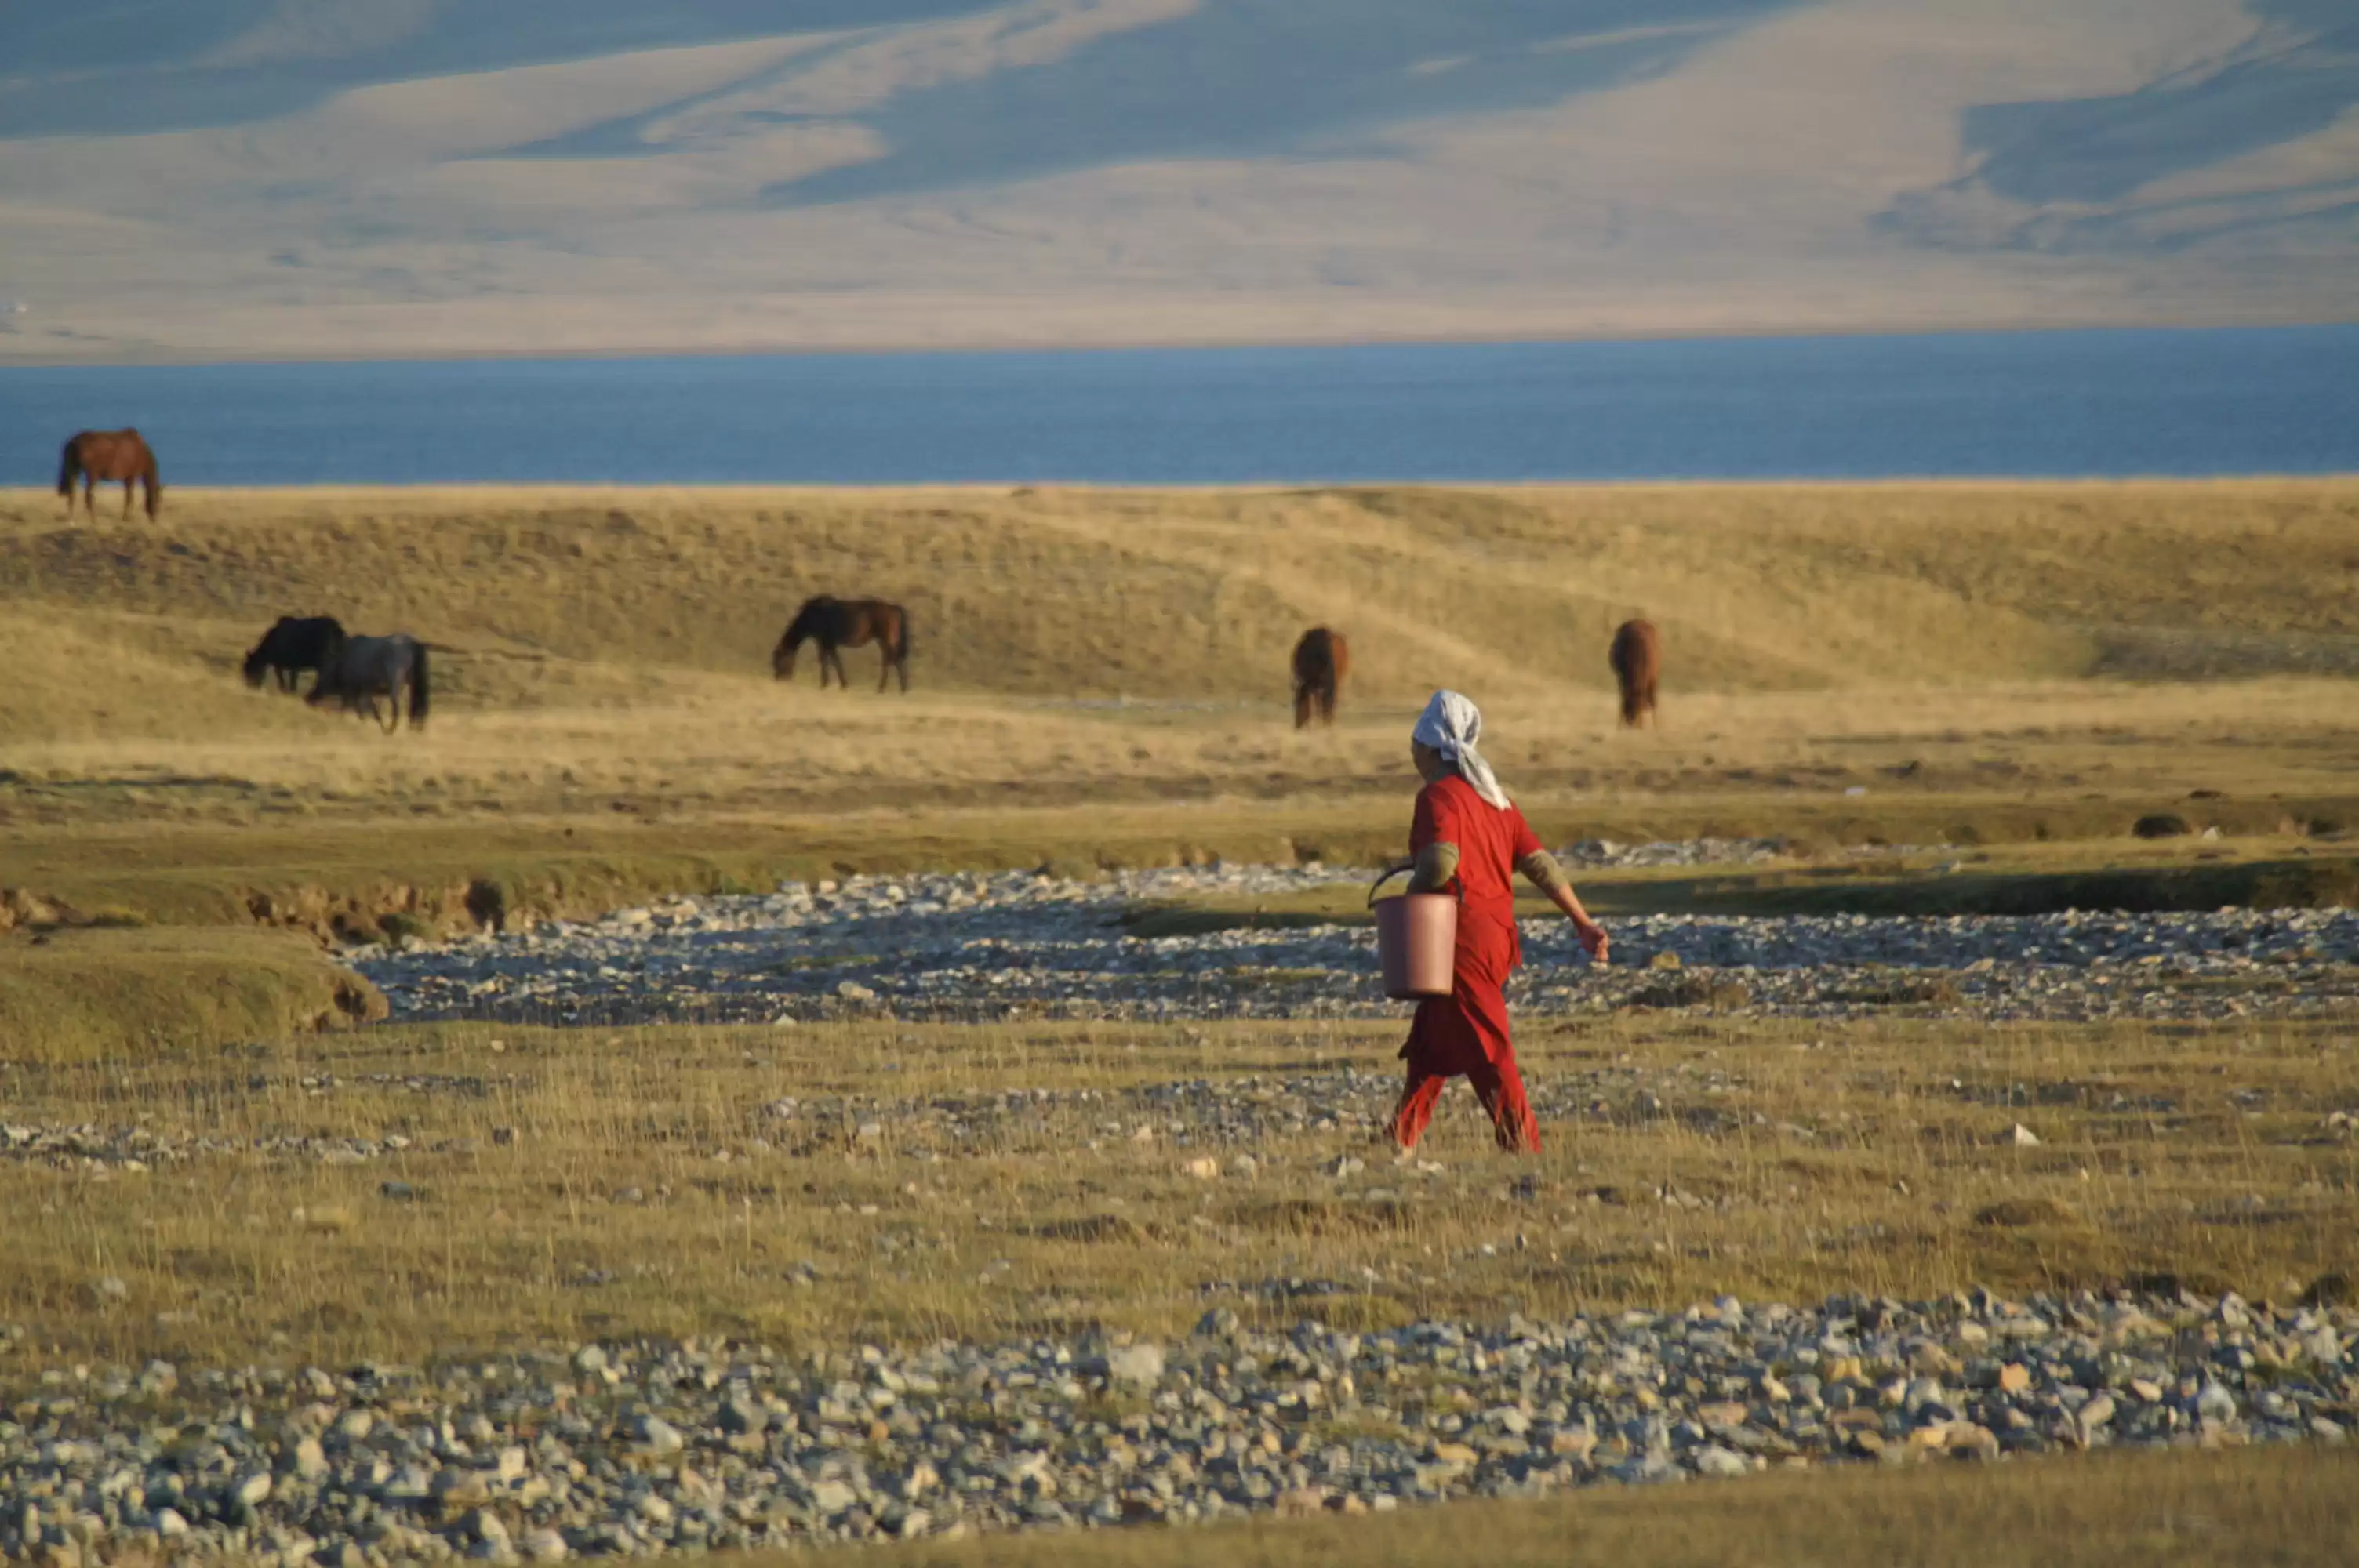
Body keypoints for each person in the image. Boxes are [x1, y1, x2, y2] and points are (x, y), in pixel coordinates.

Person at [1387, 690, 1608, 1153]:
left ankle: (1523, 1146)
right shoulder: (1497, 800)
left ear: (1430, 747)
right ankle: (1397, 1140)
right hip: (1497, 939)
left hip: (1455, 940)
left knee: (1489, 1046)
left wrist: (1411, 898)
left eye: (1415, 742)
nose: (1411, 751)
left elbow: (1440, 861)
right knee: (1432, 1042)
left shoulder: (1437, 798)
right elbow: (1540, 864)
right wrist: (1583, 922)